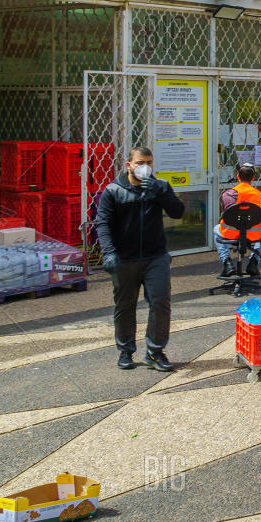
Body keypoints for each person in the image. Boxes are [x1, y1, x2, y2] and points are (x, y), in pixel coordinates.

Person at [92, 146, 186, 371]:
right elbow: (103, 224)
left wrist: (161, 192)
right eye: (140, 163)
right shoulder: (113, 191)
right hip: (125, 259)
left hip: (156, 257)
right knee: (125, 305)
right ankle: (125, 350)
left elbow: (177, 212)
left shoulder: (160, 186)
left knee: (161, 301)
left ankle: (155, 352)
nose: (145, 167)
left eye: (149, 163)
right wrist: (109, 253)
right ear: (128, 165)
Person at [213, 163, 261, 272]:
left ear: (238, 176)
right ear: (253, 178)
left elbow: (226, 214)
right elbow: (260, 217)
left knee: (216, 229)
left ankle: (227, 263)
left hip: (230, 232)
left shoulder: (228, 194)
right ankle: (254, 262)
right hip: (253, 233)